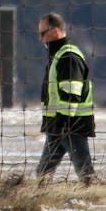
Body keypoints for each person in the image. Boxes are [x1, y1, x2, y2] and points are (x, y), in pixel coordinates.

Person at [35, 13, 95, 182]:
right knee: (43, 173)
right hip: (58, 125)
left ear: (54, 32)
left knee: (84, 172)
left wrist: (62, 122)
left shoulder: (68, 57)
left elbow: (71, 93)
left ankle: (94, 194)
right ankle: (40, 195)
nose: (41, 39)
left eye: (42, 33)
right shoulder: (58, 56)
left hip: (70, 126)